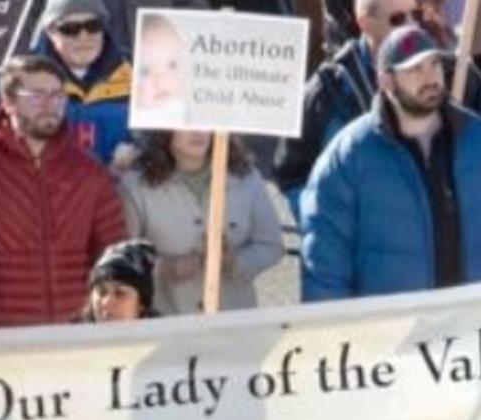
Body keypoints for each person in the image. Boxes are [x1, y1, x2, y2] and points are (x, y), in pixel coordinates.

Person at [0, 54, 126, 330]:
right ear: (8, 103)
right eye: (37, 96)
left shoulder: (89, 172)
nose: (50, 106)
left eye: (57, 96)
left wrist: (116, 332)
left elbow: (114, 261)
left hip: (76, 338)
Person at [301, 25, 481, 301]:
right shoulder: (348, 157)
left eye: (434, 64)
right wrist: (330, 324)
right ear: (386, 81)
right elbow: (324, 266)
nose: (430, 78)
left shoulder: (476, 138)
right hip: (392, 325)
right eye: (414, 70)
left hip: (470, 320)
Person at [275, 0, 425, 218]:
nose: (411, 27)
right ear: (365, 23)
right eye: (398, 19)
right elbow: (292, 174)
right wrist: (324, 221)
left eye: (416, 15)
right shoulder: (327, 89)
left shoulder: (445, 77)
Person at [119, 130, 284, 314]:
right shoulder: (136, 185)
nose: (198, 131)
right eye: (187, 124)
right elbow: (122, 258)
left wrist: (236, 263)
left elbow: (271, 245)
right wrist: (165, 268)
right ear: (163, 130)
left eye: (205, 122)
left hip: (233, 321)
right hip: (165, 320)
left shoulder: (246, 177)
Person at [35, 0, 135, 167]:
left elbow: (160, 135)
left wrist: (140, 153)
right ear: (51, 32)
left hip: (120, 182)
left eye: (93, 26)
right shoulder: (24, 77)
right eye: (70, 29)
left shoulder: (137, 71)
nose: (83, 36)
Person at [80, 238, 158, 320]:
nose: (106, 302)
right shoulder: (73, 327)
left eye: (120, 293)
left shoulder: (164, 327)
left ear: (141, 304)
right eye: (101, 292)